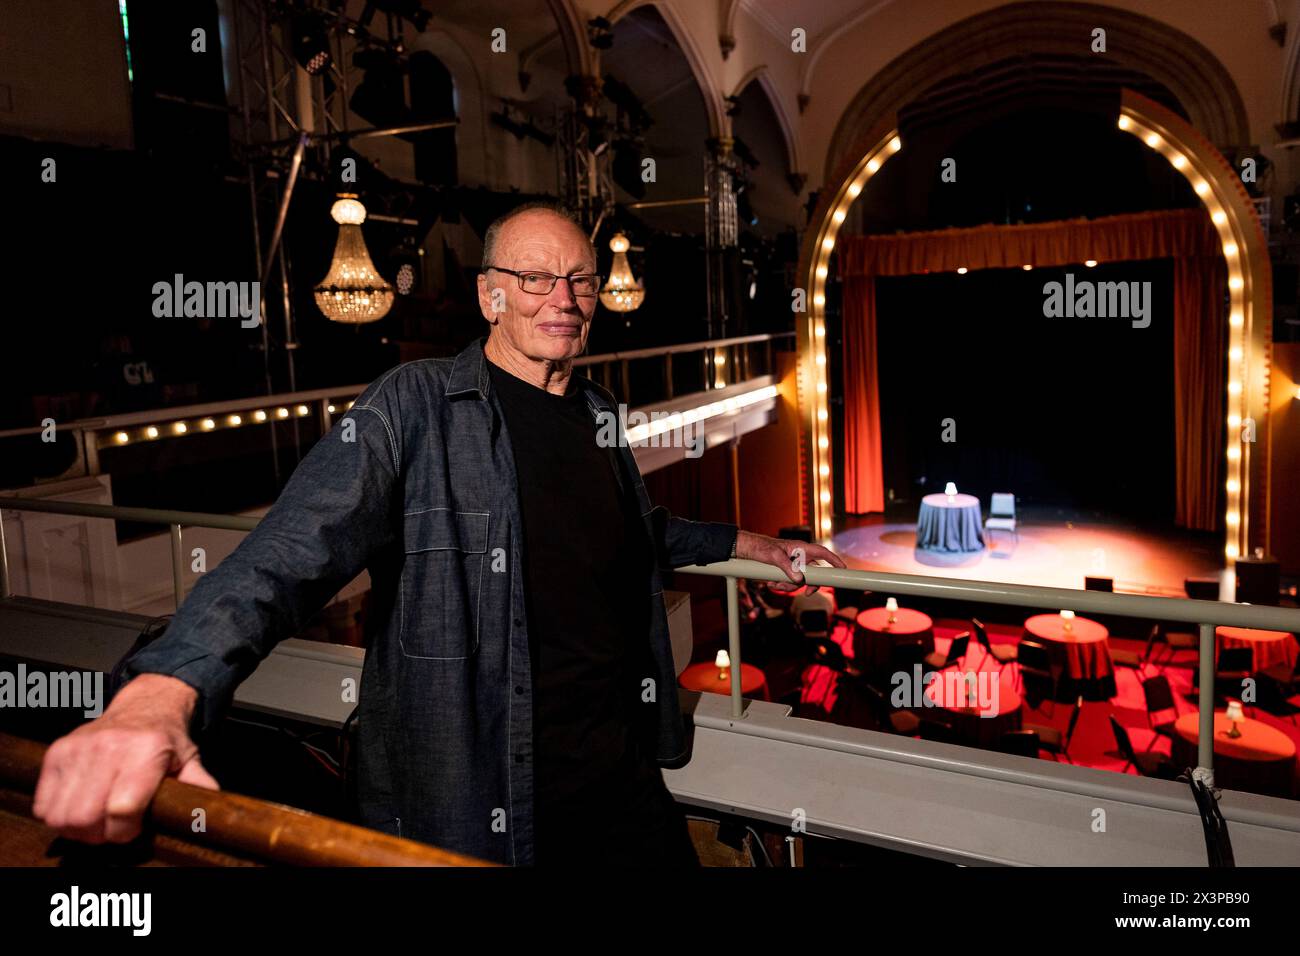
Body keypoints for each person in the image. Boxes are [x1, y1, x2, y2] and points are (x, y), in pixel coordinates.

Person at [33, 201, 845, 867]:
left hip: (621, 780)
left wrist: (751, 542)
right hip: (490, 796)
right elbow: (287, 552)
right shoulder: (413, 406)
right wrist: (158, 696)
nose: (560, 298)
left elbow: (629, 531)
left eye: (579, 280)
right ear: (491, 294)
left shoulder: (597, 415)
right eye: (533, 278)